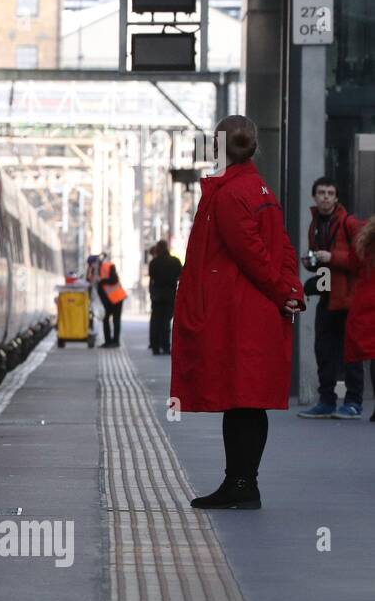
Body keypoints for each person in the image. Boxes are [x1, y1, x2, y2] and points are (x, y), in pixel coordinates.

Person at [171, 115, 304, 510]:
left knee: (240, 400)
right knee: (250, 400)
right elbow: (281, 248)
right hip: (259, 310)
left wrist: (283, 291)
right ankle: (243, 483)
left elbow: (252, 256)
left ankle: (241, 484)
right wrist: (291, 289)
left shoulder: (230, 195)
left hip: (242, 312)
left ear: (219, 146)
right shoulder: (261, 189)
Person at [298, 177, 366, 419]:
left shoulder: (349, 223)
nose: (325, 197)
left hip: (348, 299)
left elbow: (361, 260)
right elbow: (320, 267)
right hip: (328, 297)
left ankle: (353, 402)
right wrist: (312, 262)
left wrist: (331, 257)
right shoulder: (315, 224)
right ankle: (326, 400)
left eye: (330, 193)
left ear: (336, 198)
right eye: (321, 193)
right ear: (315, 196)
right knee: (324, 352)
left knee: (351, 353)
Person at [344, 216, 375, 422]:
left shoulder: (364, 241)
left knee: (361, 354)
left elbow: (352, 264)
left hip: (364, 300)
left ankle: (354, 399)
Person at [148, 240, 182, 355]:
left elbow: (152, 277)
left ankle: (155, 347)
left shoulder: (154, 262)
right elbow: (180, 275)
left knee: (156, 321)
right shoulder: (175, 261)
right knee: (166, 321)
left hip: (157, 295)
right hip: (170, 294)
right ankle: (166, 346)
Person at [96, 251, 126, 348]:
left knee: (115, 320)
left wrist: (102, 281)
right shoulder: (98, 269)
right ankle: (108, 341)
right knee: (106, 319)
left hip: (117, 298)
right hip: (108, 299)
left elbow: (114, 280)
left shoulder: (108, 266)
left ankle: (115, 341)